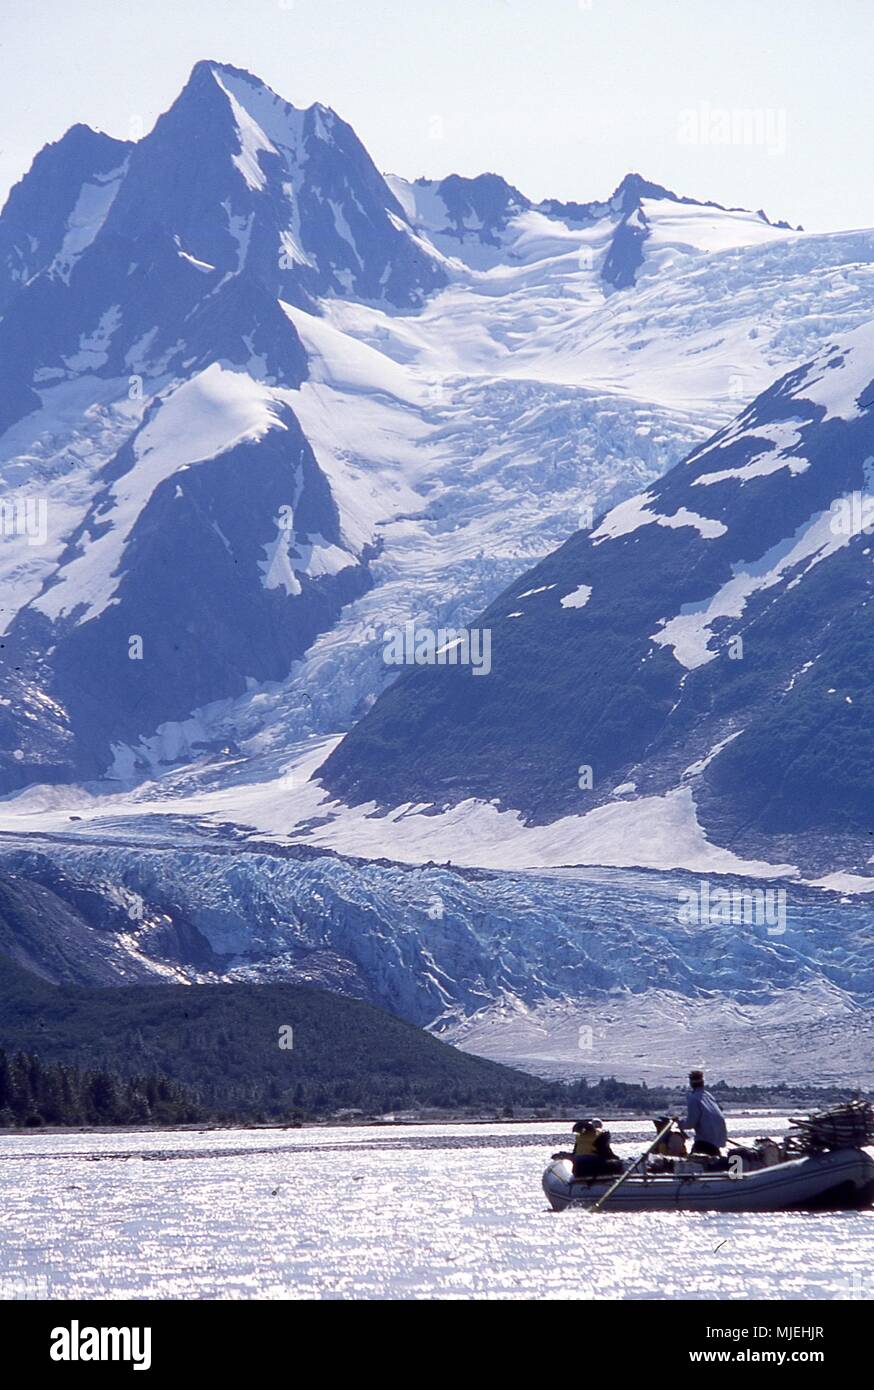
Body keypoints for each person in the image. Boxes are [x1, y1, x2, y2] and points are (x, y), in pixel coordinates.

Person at [676, 1070, 727, 1156]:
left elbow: (690, 1123)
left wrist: (680, 1123)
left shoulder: (694, 1099)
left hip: (705, 1142)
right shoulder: (708, 1095)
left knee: (693, 1163)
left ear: (691, 1083)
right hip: (717, 1140)